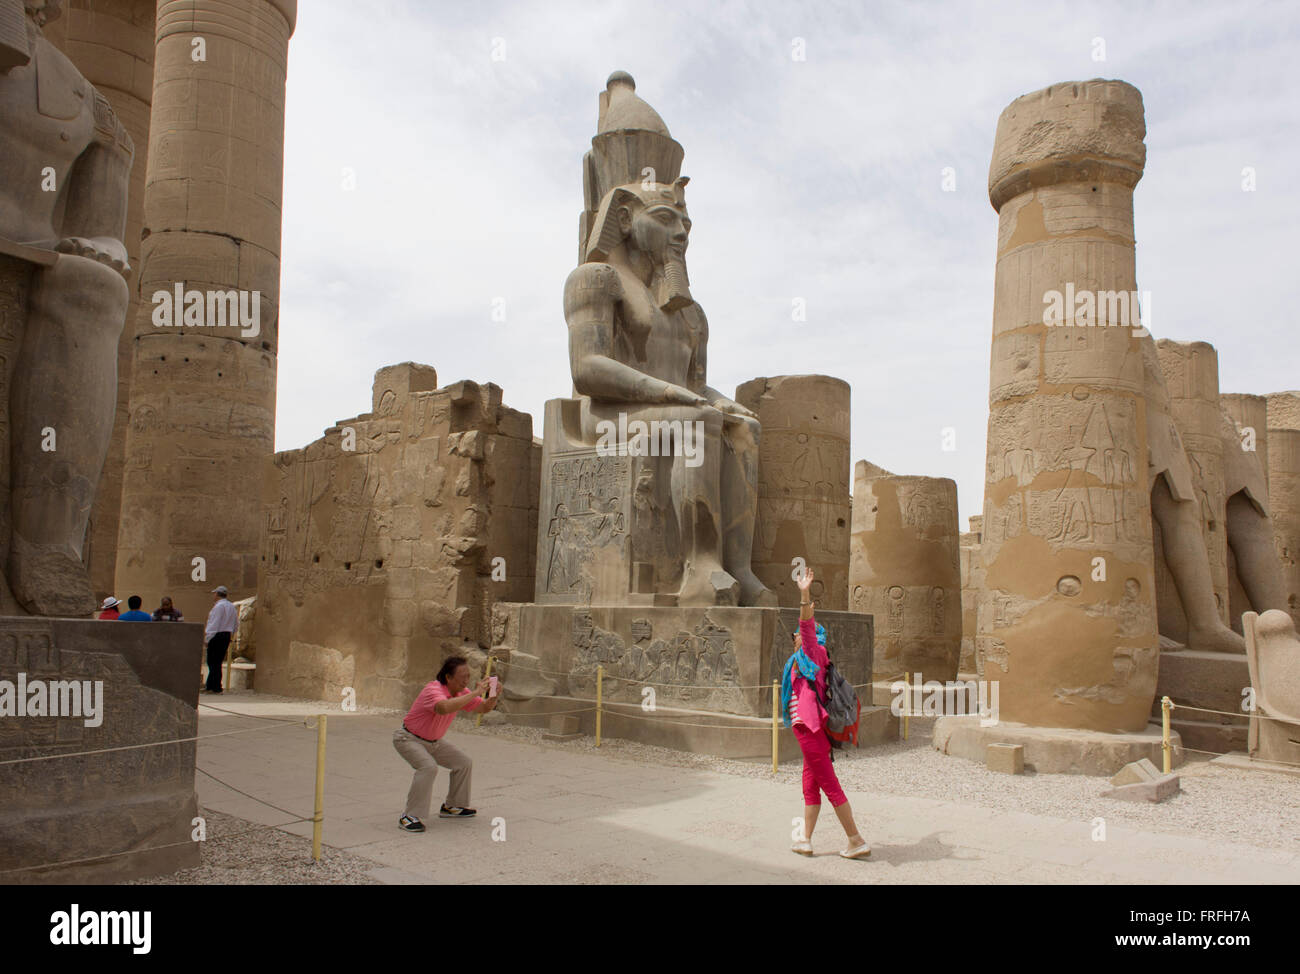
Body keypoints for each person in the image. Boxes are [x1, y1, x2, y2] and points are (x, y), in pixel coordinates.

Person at [781, 568, 870, 859]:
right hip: (805, 728)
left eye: (797, 634)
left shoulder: (813, 652)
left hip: (811, 728)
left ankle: (856, 840)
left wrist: (804, 594)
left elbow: (806, 627)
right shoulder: (800, 661)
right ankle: (805, 839)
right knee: (810, 785)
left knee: (829, 784)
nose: (794, 636)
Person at [392, 655, 501, 832]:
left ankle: (453, 806)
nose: (466, 680)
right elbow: (444, 708)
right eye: (462, 676)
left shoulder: (462, 692)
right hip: (408, 738)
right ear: (448, 677)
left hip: (434, 742)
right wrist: (475, 692)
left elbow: (483, 708)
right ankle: (409, 816)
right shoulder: (433, 689)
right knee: (428, 767)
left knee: (463, 763)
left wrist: (494, 695)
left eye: (468, 675)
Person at [203, 585, 238, 693]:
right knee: (217, 661)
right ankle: (212, 685)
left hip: (217, 635)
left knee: (212, 661)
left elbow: (214, 623)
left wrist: (208, 638)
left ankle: (214, 687)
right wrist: (232, 634)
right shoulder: (231, 606)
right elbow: (236, 623)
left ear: (217, 594)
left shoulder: (219, 607)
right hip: (226, 635)